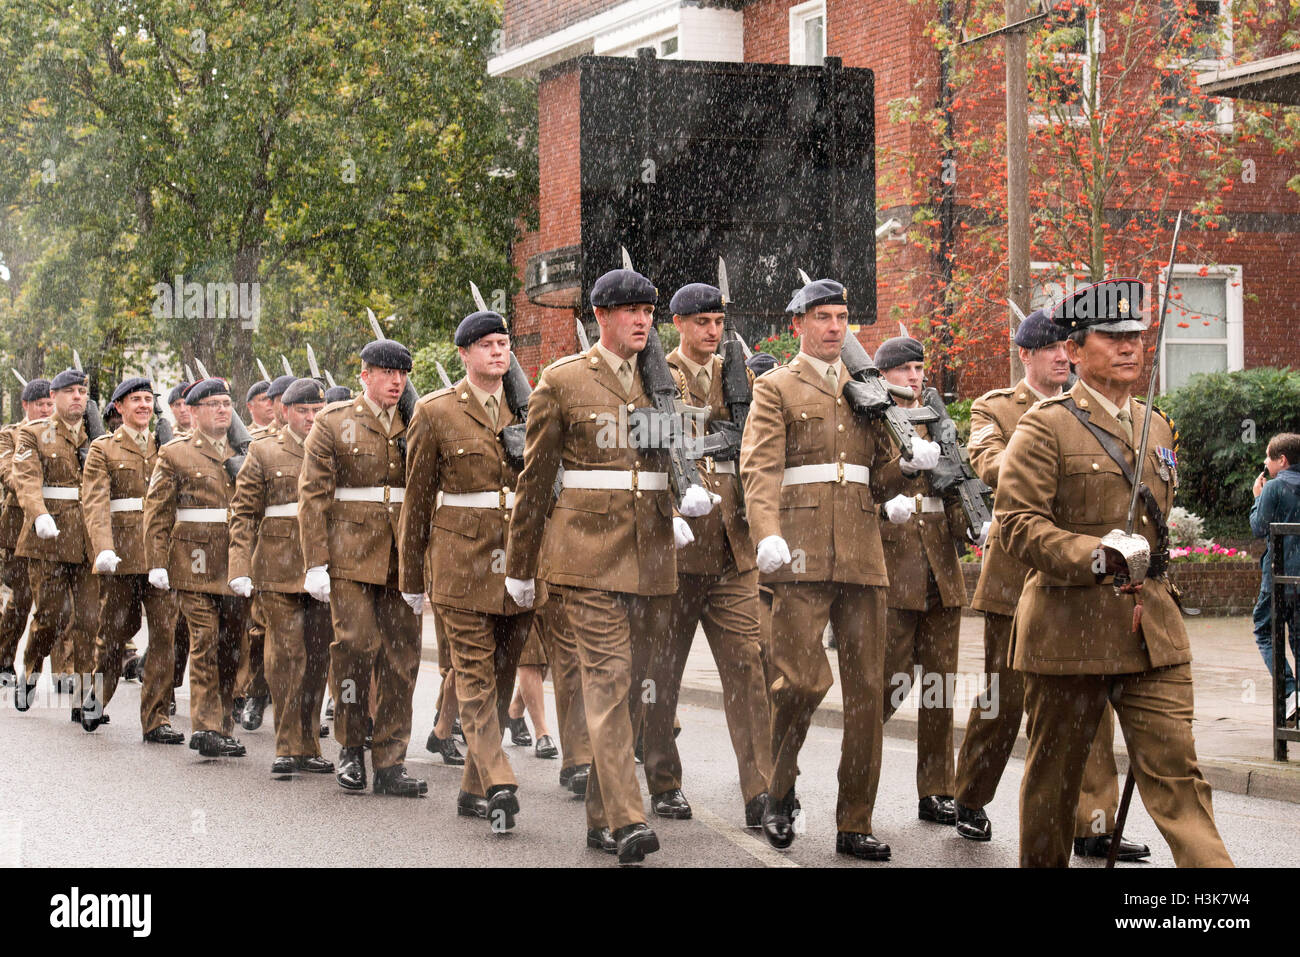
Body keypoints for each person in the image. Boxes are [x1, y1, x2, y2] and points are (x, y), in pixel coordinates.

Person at [997, 278, 1232, 868]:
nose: (1129, 347)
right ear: (1073, 350)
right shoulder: (1044, 426)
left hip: (1150, 631)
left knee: (1180, 779)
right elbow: (1017, 526)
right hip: (1067, 630)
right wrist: (1095, 554)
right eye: (1111, 336)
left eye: (1135, 335)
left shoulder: (1158, 425)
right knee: (1054, 783)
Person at [505, 267, 716, 863]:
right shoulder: (563, 381)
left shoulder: (662, 386)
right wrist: (521, 566)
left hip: (649, 556)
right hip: (585, 558)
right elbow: (535, 481)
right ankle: (628, 819)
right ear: (601, 317)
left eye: (649, 311)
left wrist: (681, 499)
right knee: (608, 680)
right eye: (631, 311)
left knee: (631, 693)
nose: (643, 320)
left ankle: (599, 819)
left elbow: (669, 460)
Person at [740, 277, 941, 861]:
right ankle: (779, 790)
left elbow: (879, 477)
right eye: (823, 316)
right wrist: (768, 533)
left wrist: (910, 466)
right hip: (797, 554)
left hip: (861, 553)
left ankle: (855, 820)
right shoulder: (776, 386)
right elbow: (760, 469)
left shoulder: (867, 390)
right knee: (800, 681)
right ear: (798, 323)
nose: (834, 326)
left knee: (867, 694)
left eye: (842, 317)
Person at [952, 309, 1148, 861]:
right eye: (1052, 350)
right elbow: (986, 459)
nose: (1064, 357)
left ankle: (1093, 822)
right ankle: (970, 794)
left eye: (1069, 348)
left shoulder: (1101, 410)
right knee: (1003, 701)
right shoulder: (995, 407)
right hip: (1019, 578)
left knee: (1089, 707)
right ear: (1027, 356)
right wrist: (1048, 446)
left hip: (1088, 582)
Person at [399, 309, 539, 828]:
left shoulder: (531, 405)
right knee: (476, 677)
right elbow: (416, 503)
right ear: (463, 354)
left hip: (519, 562)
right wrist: (412, 578)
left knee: (503, 679)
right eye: (486, 345)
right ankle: (499, 777)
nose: (498, 352)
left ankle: (471, 787)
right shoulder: (436, 412)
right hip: (460, 564)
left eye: (503, 343)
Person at [649, 281, 772, 827]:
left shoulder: (738, 374)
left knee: (748, 667)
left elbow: (757, 441)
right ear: (680, 323)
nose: (713, 331)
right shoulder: (655, 375)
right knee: (661, 672)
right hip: (677, 547)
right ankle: (663, 780)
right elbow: (653, 437)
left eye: (719, 322)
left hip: (731, 546)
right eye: (702, 322)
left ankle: (760, 790)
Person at [298, 338, 426, 797]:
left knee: (402, 657)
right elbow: (313, 496)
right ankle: (351, 746)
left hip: (402, 557)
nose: (396, 382)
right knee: (356, 646)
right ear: (365, 375)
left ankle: (391, 760)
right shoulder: (335, 423)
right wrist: (315, 563)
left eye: (403, 374)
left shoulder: (418, 419)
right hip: (349, 556)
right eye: (387, 373)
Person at [873, 335, 971, 828]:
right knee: (890, 682)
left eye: (919, 368)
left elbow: (955, 486)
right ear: (884, 374)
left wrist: (974, 516)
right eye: (904, 369)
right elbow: (865, 485)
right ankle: (860, 766)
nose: (914, 377)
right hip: (893, 570)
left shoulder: (937, 421)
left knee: (938, 688)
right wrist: (894, 480)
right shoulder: (871, 419)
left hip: (941, 572)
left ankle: (937, 790)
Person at [229, 378, 334, 776]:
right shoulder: (264, 450)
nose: (311, 418)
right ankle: (287, 745)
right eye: (303, 411)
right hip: (276, 567)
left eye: (317, 411)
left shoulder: (332, 448)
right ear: (285, 411)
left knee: (318, 657)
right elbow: (243, 513)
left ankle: (309, 745)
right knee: (289, 655)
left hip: (322, 567)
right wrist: (239, 566)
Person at [143, 377, 252, 758]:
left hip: (238, 563)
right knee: (204, 641)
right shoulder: (175, 453)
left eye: (227, 403)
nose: (224, 409)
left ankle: (222, 725)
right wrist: (156, 563)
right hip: (193, 564)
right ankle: (205, 727)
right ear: (193, 411)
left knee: (231, 647)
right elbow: (157, 513)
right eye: (215, 404)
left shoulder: (247, 452)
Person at [79, 377, 183, 740]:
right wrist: (103, 547)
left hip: (161, 557)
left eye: (146, 399)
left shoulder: (167, 446)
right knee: (114, 633)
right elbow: (94, 502)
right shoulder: (103, 449)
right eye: (134, 399)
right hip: (121, 556)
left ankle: (156, 719)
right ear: (118, 407)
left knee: (164, 636)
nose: (142, 405)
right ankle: (96, 697)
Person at [11, 368, 99, 719]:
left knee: (90, 620)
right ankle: (31, 671)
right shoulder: (35, 434)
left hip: (88, 540)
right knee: (52, 615)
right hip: (49, 538)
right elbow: (26, 479)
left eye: (82, 391)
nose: (77, 396)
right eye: (70, 392)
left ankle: (84, 701)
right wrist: (38, 513)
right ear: (56, 396)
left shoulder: (99, 435)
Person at [0, 378, 53, 682]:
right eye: (39, 405)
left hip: (60, 528)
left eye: (49, 404)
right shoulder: (10, 436)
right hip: (18, 529)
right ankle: (5, 660)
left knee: (56, 606)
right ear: (25, 406)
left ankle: (57, 671)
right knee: (18, 601)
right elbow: (9, 471)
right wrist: (32, 484)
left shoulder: (60, 435)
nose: (45, 410)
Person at [1249, 432, 1300, 723]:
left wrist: (1258, 497)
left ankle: (1290, 692)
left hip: (1279, 576)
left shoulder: (1274, 487)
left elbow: (1259, 527)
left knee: (1265, 630)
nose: (1265, 462)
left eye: (1269, 457)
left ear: (1282, 460)